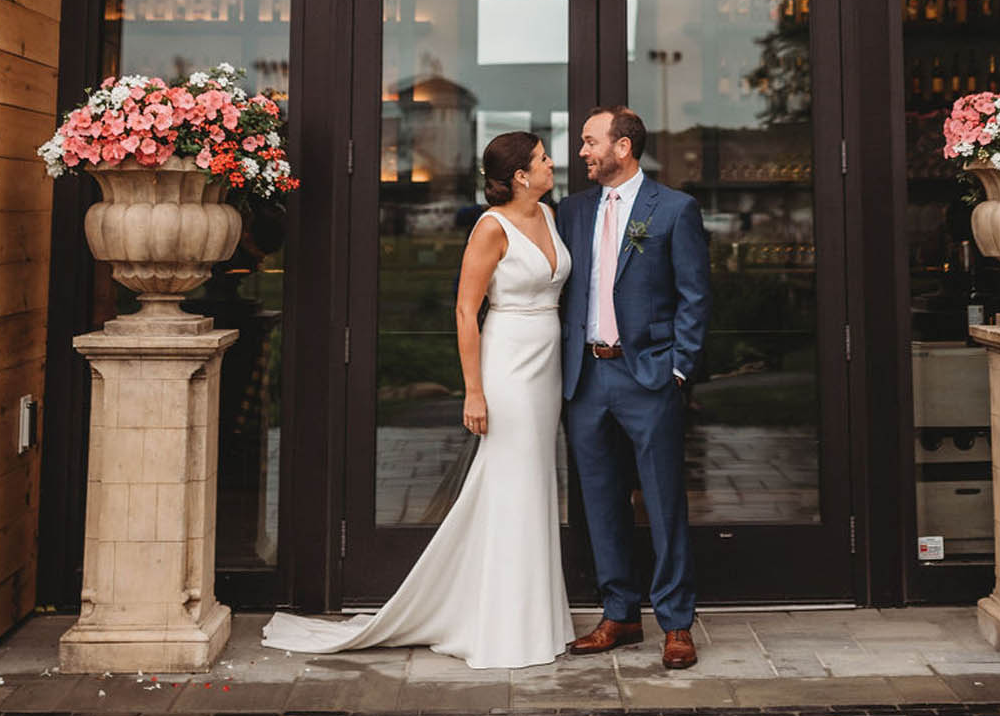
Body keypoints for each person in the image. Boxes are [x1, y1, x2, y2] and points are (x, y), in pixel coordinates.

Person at [262, 129, 573, 669]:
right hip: (509, 367)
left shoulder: (547, 216)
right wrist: (474, 390)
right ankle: (503, 626)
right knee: (512, 483)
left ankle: (535, 617)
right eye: (545, 159)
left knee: (534, 483)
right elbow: (464, 312)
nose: (553, 165)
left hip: (547, 365)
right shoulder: (489, 228)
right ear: (521, 175)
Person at [557, 106, 712, 670]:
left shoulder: (673, 210)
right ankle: (619, 614)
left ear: (623, 148)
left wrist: (677, 369)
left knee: (664, 501)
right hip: (586, 377)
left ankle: (675, 622)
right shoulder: (571, 212)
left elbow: (695, 295)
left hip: (647, 375)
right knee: (600, 503)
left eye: (590, 142)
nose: (582, 152)